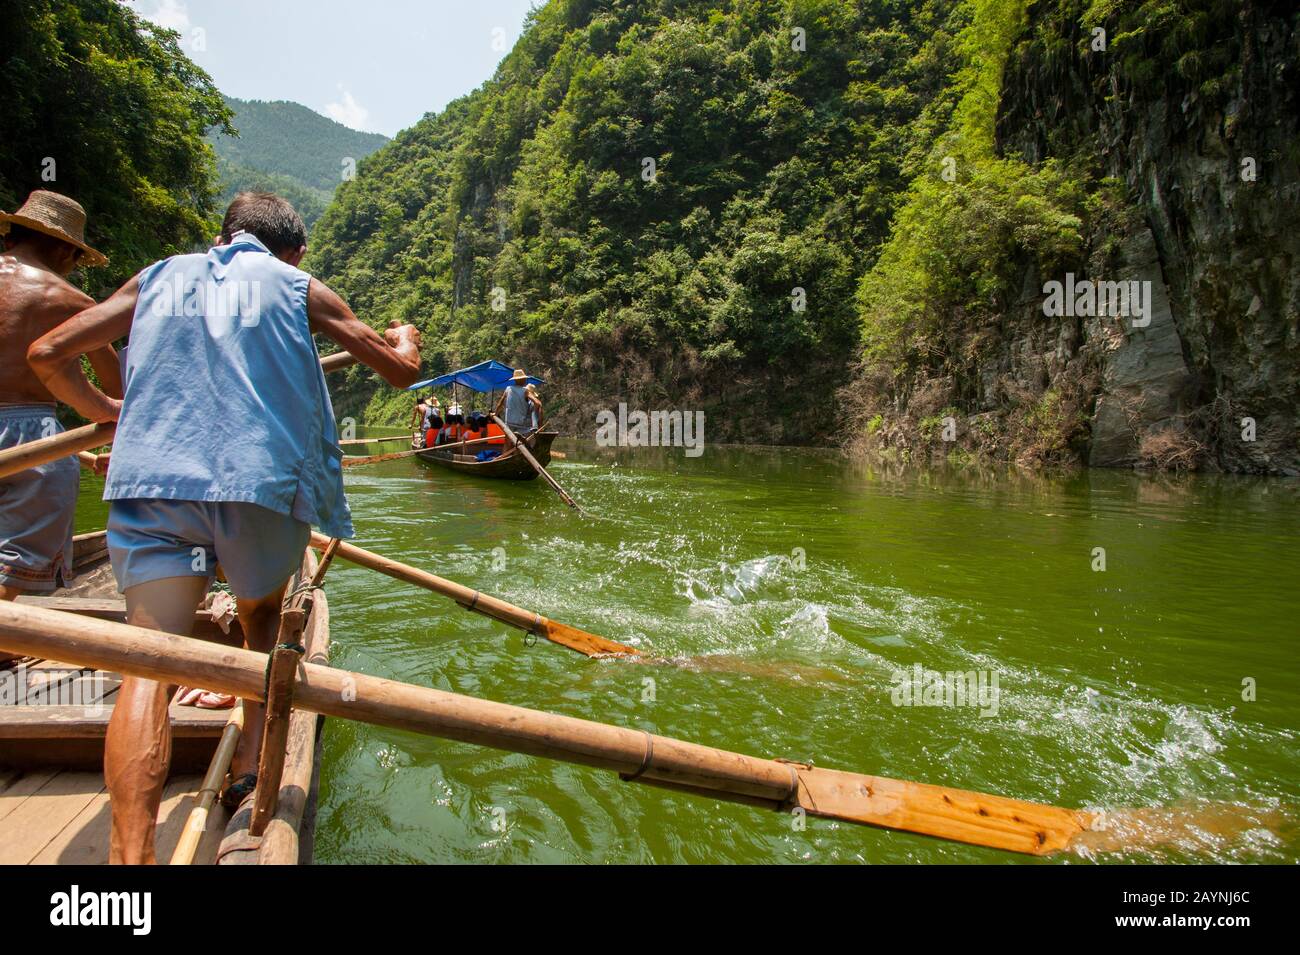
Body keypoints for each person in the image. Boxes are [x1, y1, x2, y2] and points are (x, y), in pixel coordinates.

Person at [27, 191, 422, 863]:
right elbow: (397, 369)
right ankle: (249, 775)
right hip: (257, 489)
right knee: (262, 624)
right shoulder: (298, 284)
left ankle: (131, 861)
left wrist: (109, 411)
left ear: (222, 236)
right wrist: (407, 335)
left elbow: (48, 351)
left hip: (155, 486)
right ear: (291, 251)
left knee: (149, 663)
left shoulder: (157, 277)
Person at [0, 191, 121, 664]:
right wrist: (109, 414)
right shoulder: (67, 298)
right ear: (65, 249)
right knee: (20, 555)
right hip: (32, 434)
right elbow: (114, 383)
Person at [494, 368, 541, 435]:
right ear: (522, 380)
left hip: (509, 422)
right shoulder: (525, 391)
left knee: (509, 442)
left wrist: (495, 414)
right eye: (524, 379)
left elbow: (500, 404)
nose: (525, 380)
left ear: (515, 380)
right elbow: (537, 403)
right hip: (521, 424)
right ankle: (535, 428)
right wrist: (531, 412)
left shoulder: (508, 389)